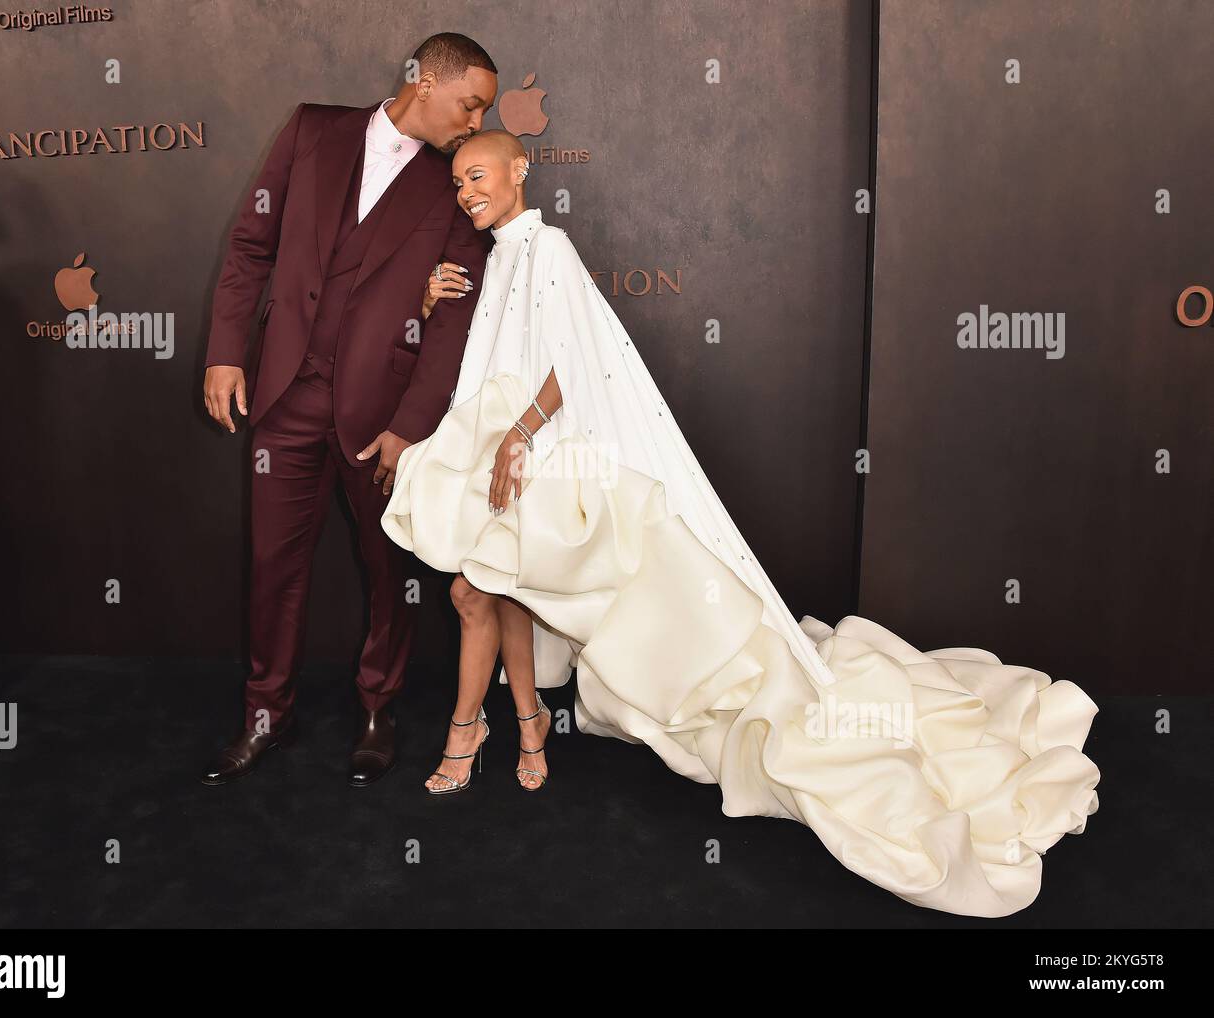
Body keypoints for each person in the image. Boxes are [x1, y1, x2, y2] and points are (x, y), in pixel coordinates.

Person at [380, 130, 1102, 918]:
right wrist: (432, 309)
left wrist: (519, 434)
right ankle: (517, 728)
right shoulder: (501, 256)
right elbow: (488, 359)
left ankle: (486, 730)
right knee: (487, 587)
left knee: (489, 588)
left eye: (477, 176)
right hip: (524, 457)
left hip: (553, 459)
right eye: (456, 183)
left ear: (520, 169)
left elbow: (568, 369)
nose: (466, 193)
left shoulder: (548, 247)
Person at [198, 34, 497, 788]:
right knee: (272, 566)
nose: (476, 120)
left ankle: (377, 707)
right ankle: (267, 712)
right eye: (470, 102)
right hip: (284, 397)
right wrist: (226, 352)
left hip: (384, 413)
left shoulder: (455, 181)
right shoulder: (311, 130)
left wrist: (412, 425)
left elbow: (456, 317)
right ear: (425, 81)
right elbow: (250, 246)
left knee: (386, 568)